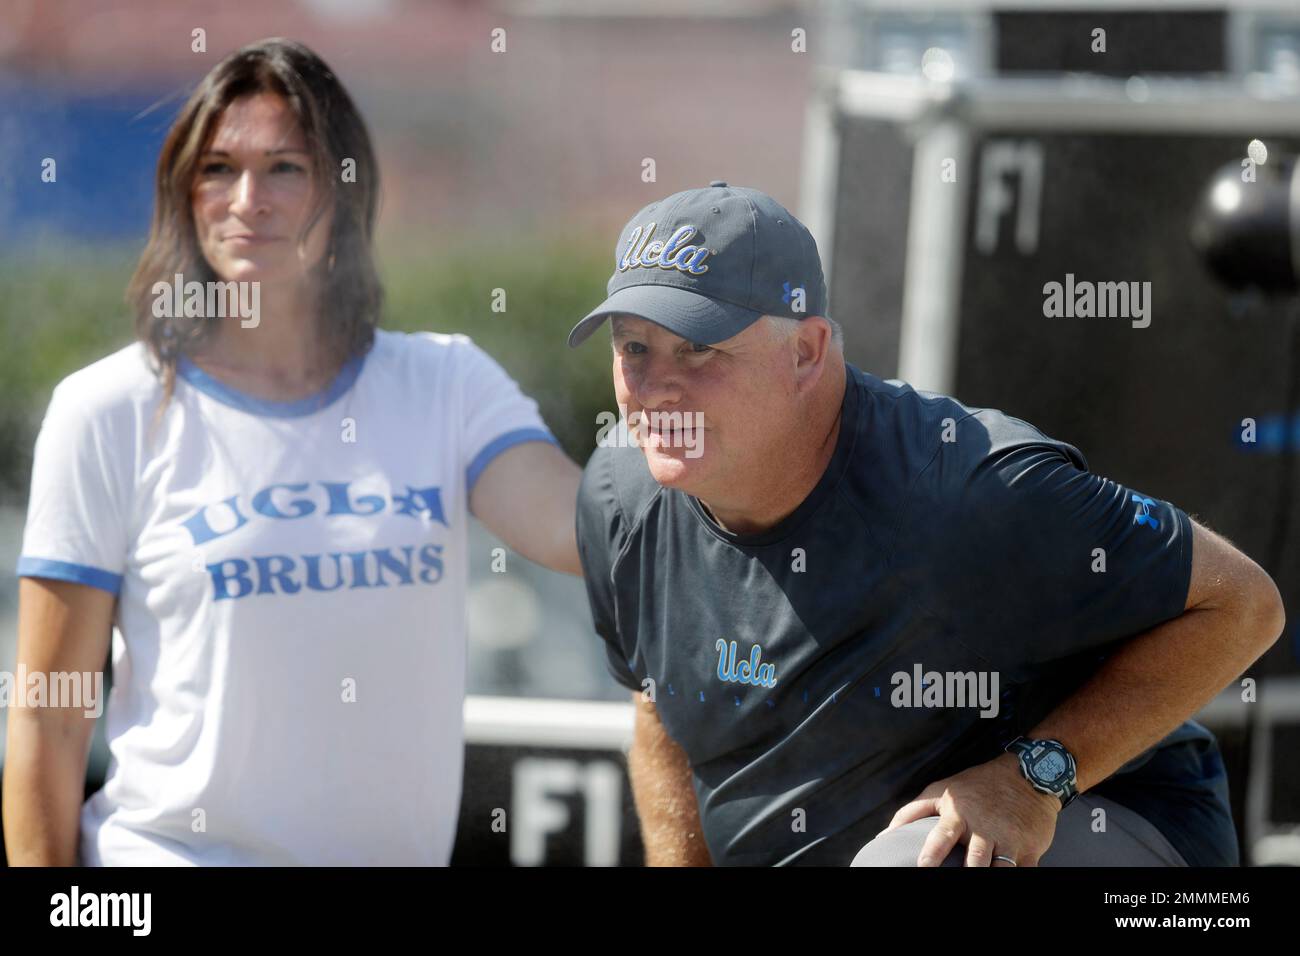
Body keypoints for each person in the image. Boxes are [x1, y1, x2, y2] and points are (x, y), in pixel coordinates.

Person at [567, 181, 1286, 867]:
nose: (657, 387)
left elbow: (1243, 605)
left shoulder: (971, 490)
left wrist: (1033, 778)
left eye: (699, 348)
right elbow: (658, 707)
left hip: (1112, 827)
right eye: (634, 347)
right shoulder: (620, 492)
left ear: (806, 352)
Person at [4, 38, 582, 866]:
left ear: (344, 195)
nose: (248, 200)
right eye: (217, 170)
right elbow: (49, 712)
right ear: (183, 195)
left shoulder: (446, 383)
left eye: (285, 168)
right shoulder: (107, 411)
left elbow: (573, 528)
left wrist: (701, 440)